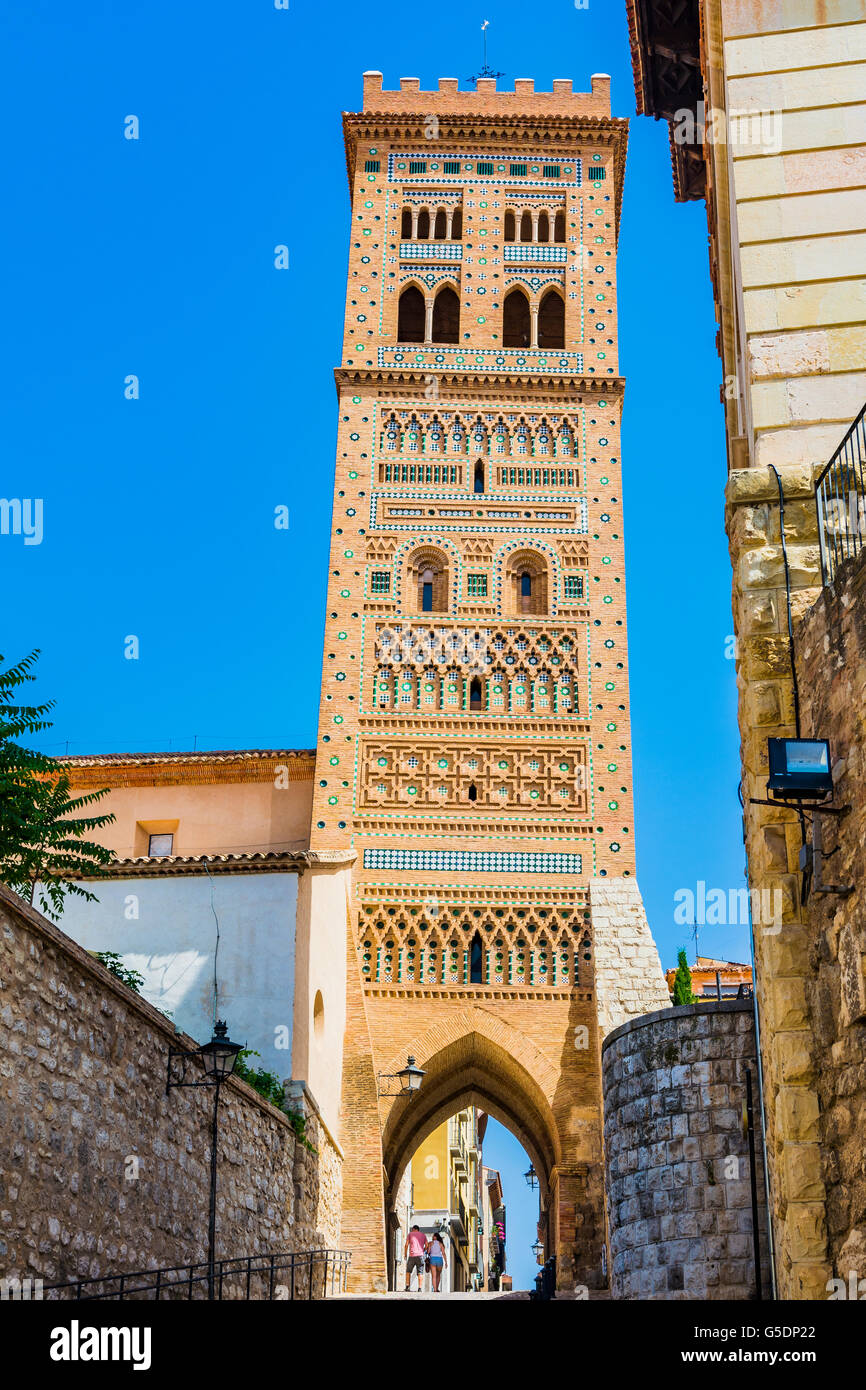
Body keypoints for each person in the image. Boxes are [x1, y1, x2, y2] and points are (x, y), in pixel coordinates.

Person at [403, 1225, 428, 1292]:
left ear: (413, 1229)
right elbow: (427, 1245)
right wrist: (423, 1250)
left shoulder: (410, 1234)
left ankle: (407, 1286)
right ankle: (419, 1288)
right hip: (420, 1256)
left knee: (408, 1271)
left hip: (412, 1255)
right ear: (418, 1229)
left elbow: (406, 1245)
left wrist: (405, 1254)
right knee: (420, 1272)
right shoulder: (423, 1235)